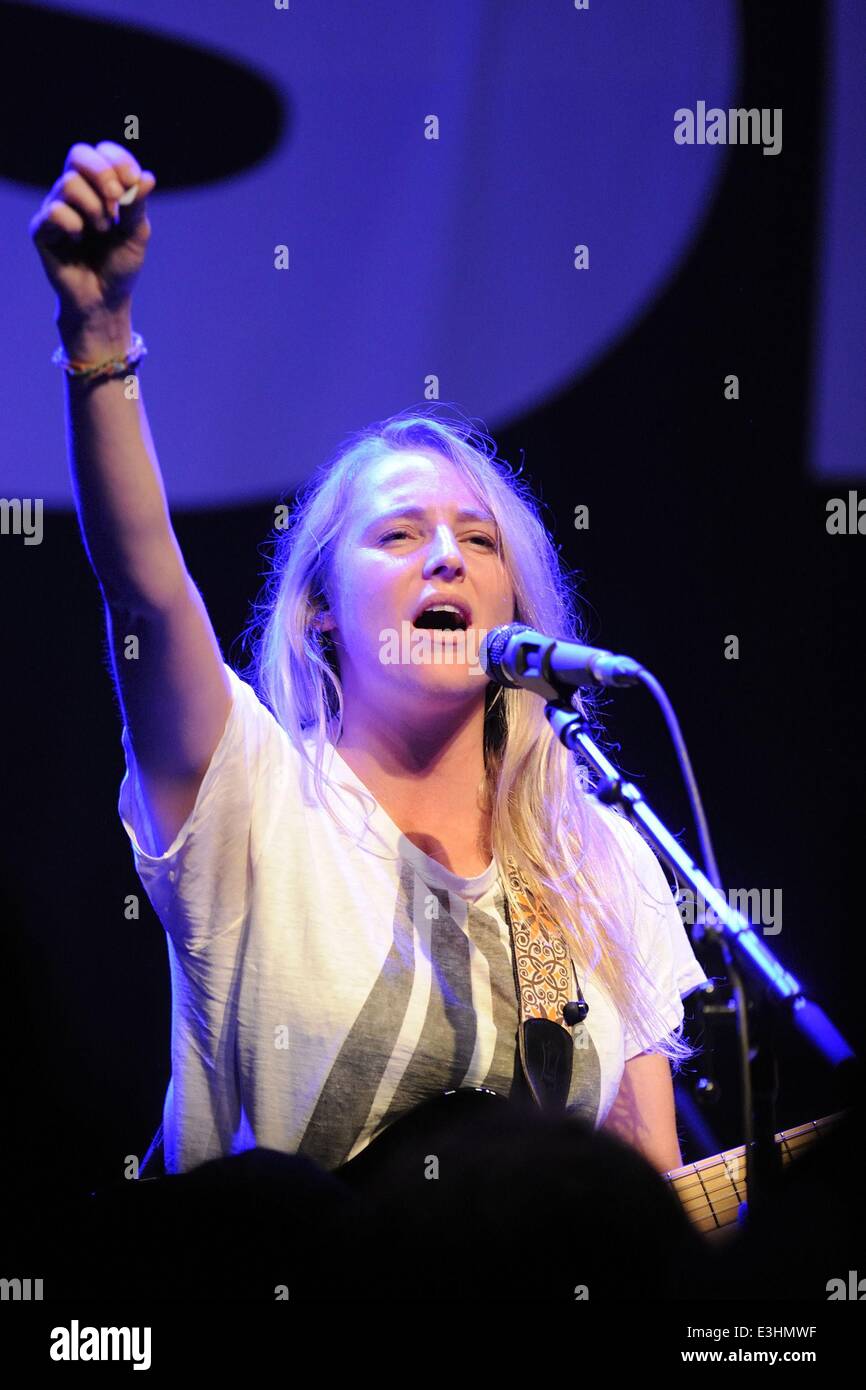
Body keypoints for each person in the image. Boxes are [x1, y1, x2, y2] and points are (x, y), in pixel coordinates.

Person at [31, 142, 709, 1273]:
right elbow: (143, 581)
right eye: (398, 534)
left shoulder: (597, 859)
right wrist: (100, 345)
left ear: (514, 605)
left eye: (478, 539)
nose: (444, 555)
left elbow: (640, 1203)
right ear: (322, 613)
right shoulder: (254, 793)